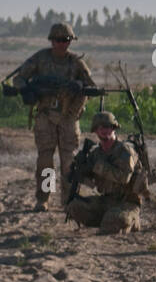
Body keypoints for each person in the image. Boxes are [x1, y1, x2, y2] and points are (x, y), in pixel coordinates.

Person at [8, 23, 96, 211]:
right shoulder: (40, 59)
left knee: (69, 163)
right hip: (45, 117)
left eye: (66, 40)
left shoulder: (76, 63)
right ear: (52, 41)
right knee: (46, 162)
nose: (63, 44)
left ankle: (68, 201)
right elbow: (19, 78)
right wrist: (25, 90)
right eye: (59, 40)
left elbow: (92, 86)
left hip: (69, 117)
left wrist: (79, 85)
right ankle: (43, 199)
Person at [64, 111, 144, 234]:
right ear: (95, 130)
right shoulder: (96, 153)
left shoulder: (125, 151)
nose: (104, 130)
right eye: (100, 127)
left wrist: (98, 166)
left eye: (108, 127)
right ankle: (107, 220)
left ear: (114, 128)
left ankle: (132, 221)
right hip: (106, 201)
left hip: (127, 203)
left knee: (113, 221)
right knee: (74, 207)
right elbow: (89, 180)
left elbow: (124, 178)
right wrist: (80, 168)